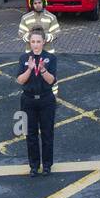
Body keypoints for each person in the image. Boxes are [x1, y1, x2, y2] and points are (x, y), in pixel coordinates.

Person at [16, 28, 58, 176]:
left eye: (38, 41)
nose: (35, 45)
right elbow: (20, 80)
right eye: (33, 41)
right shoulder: (24, 58)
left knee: (47, 134)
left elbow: (52, 81)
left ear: (44, 42)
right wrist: (29, 69)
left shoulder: (51, 58)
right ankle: (34, 166)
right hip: (28, 101)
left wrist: (43, 71)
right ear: (29, 42)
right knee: (30, 134)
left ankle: (47, 165)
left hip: (46, 99)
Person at [19, 0, 60, 96]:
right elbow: (21, 32)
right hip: (30, 52)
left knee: (49, 74)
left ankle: (53, 96)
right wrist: (28, 37)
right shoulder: (25, 18)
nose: (37, 5)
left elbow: (56, 32)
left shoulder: (51, 17)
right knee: (31, 73)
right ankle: (32, 94)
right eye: (35, 3)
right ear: (32, 4)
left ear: (44, 3)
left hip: (48, 52)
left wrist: (47, 37)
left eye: (39, 2)